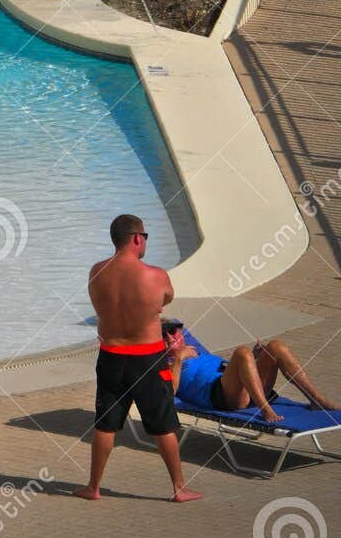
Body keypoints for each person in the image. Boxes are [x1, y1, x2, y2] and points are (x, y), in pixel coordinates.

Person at [77, 214, 203, 503]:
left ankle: (93, 487)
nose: (145, 241)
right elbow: (166, 298)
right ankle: (179, 488)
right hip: (147, 359)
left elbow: (99, 304)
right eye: (145, 236)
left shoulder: (96, 271)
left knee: (105, 424)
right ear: (136, 238)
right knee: (163, 425)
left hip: (111, 356)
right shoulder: (155, 275)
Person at [171, 329, 337, 422]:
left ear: (181, 334)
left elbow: (228, 368)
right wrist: (178, 359)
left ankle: (316, 399)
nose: (170, 338)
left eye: (173, 332)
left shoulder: (196, 350)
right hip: (222, 396)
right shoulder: (165, 364)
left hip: (245, 386)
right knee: (242, 352)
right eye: (164, 336)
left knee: (275, 347)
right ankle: (266, 410)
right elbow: (168, 393)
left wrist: (254, 361)